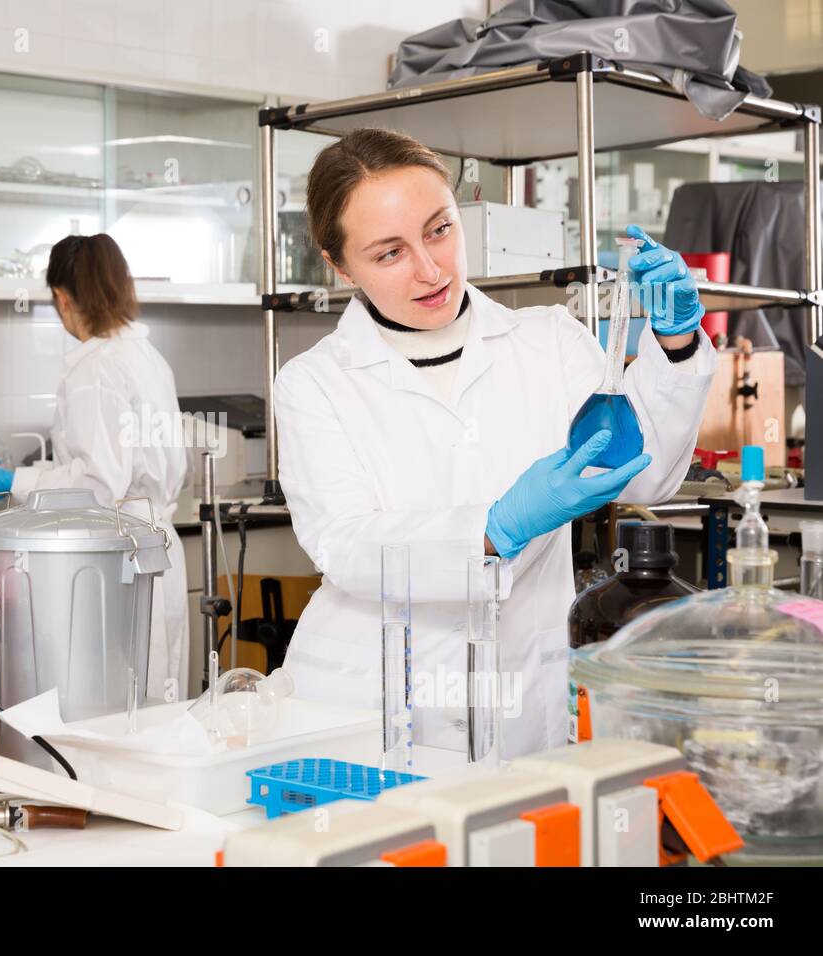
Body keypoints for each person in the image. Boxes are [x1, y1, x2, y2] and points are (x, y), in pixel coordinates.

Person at [274, 128, 714, 758]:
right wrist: (494, 528)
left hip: (522, 689)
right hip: (370, 703)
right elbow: (344, 545)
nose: (430, 269)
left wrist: (675, 346)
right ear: (340, 265)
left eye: (439, 230)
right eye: (389, 253)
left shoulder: (549, 340)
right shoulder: (313, 383)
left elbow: (641, 475)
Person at [0, 234, 190, 699]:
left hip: (110, 556)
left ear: (62, 297)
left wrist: (15, 481)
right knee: (151, 702)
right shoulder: (146, 356)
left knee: (104, 705)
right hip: (152, 545)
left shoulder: (95, 368)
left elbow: (98, 485)